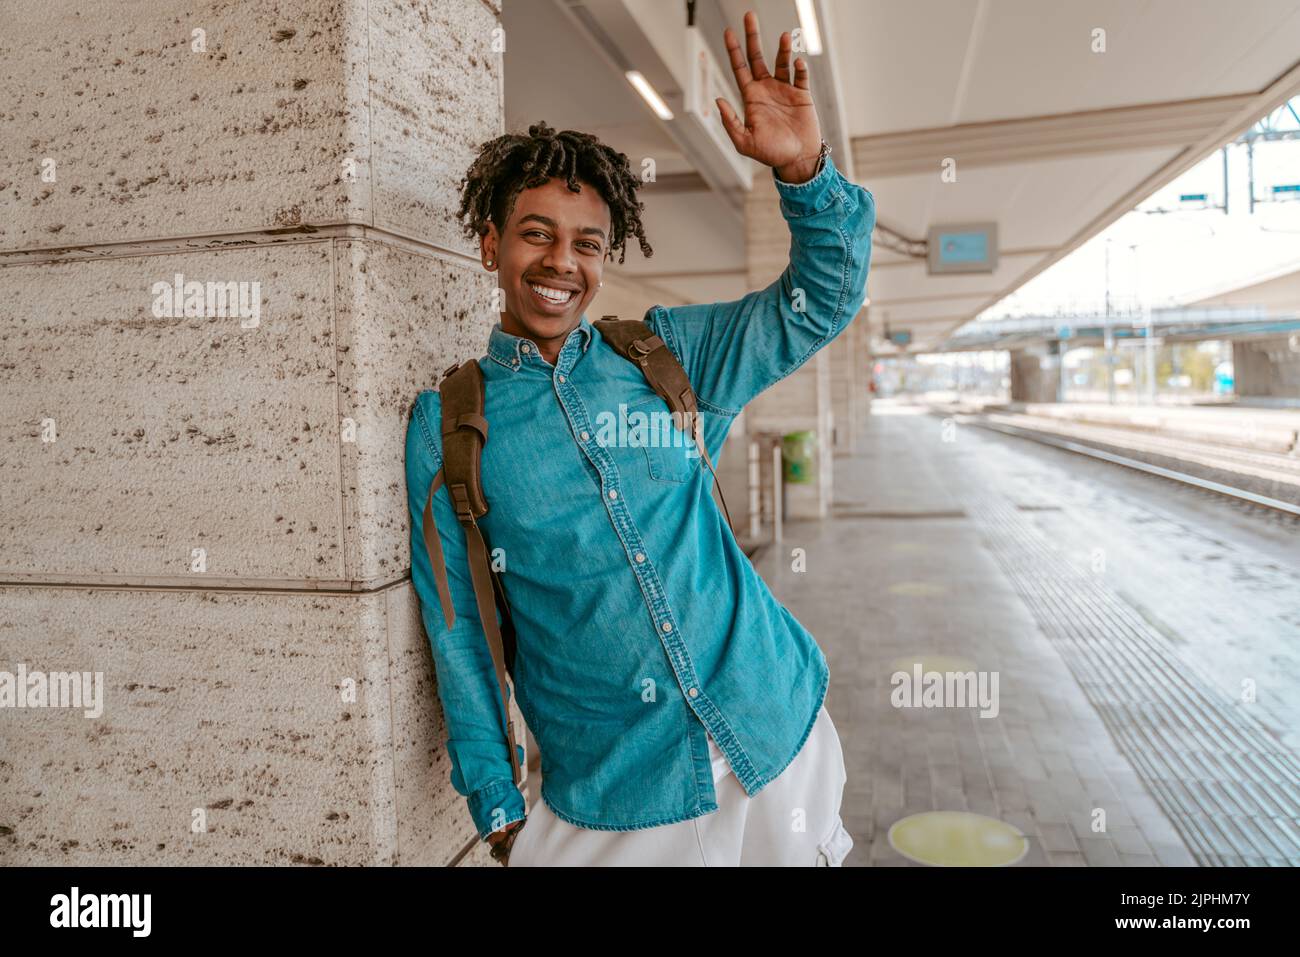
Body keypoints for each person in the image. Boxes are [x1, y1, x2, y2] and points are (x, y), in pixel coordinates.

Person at [405, 9, 874, 866]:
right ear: (490, 246)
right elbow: (458, 629)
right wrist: (499, 805)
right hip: (622, 799)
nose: (561, 263)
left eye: (585, 243)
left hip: (774, 732)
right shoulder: (449, 428)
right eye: (535, 234)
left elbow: (824, 297)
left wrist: (806, 171)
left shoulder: (666, 356)